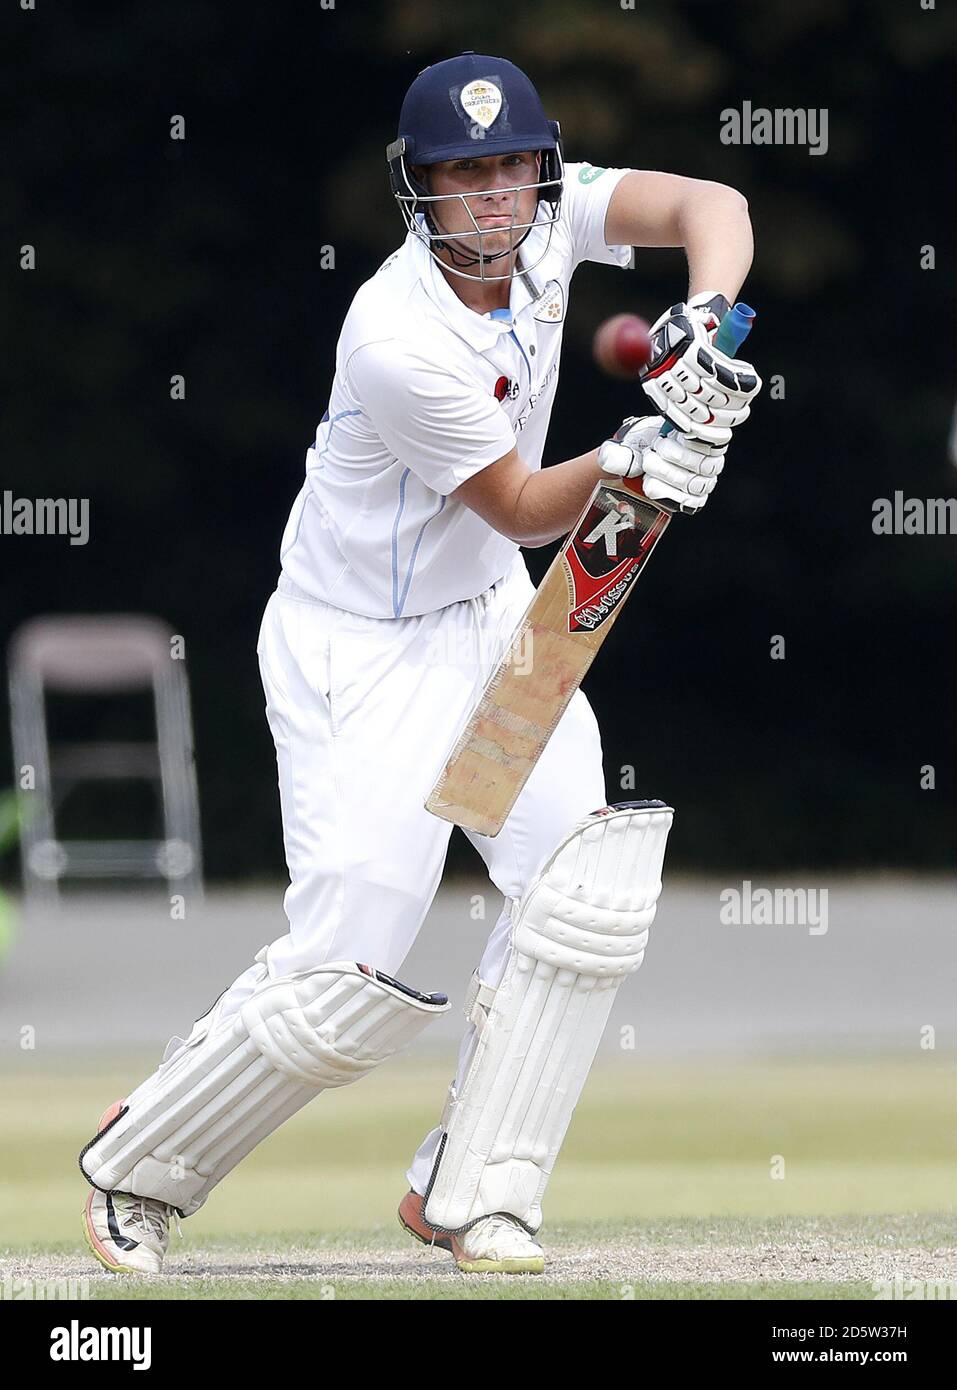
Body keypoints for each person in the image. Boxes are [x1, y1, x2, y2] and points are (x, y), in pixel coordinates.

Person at [79, 51, 761, 1277]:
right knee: (352, 964)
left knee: (581, 890)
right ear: (421, 191)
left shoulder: (554, 233)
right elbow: (521, 505)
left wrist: (701, 322)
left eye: (514, 169)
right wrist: (633, 455)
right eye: (465, 176)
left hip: (498, 618)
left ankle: (472, 1185)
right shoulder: (397, 335)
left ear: (540, 171)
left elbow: (717, 209)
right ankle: (142, 1161)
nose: (496, 200)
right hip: (359, 645)